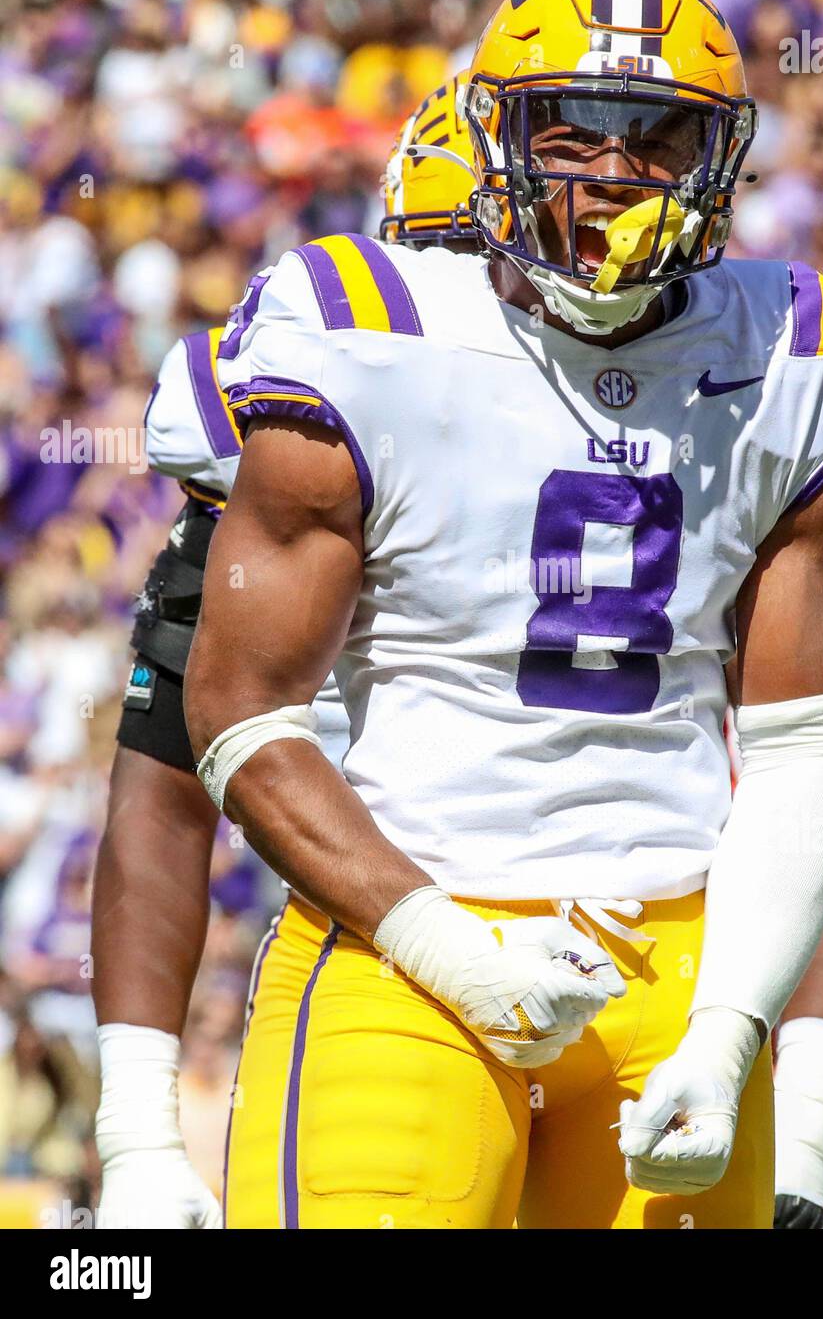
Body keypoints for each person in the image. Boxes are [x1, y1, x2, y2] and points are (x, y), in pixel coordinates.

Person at [185, 0, 823, 1230]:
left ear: (718, 159)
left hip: (685, 945)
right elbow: (236, 713)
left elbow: (809, 748)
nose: (613, 176)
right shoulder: (363, 332)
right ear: (494, 135)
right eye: (573, 134)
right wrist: (449, 950)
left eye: (656, 139)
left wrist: (740, 1040)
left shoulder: (791, 352)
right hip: (401, 934)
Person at [89, 93, 478, 1229]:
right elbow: (163, 792)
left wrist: (793, 1066)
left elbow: (803, 750)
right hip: (381, 970)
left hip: (638, 950)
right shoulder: (295, 433)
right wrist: (140, 1136)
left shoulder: (685, 426)